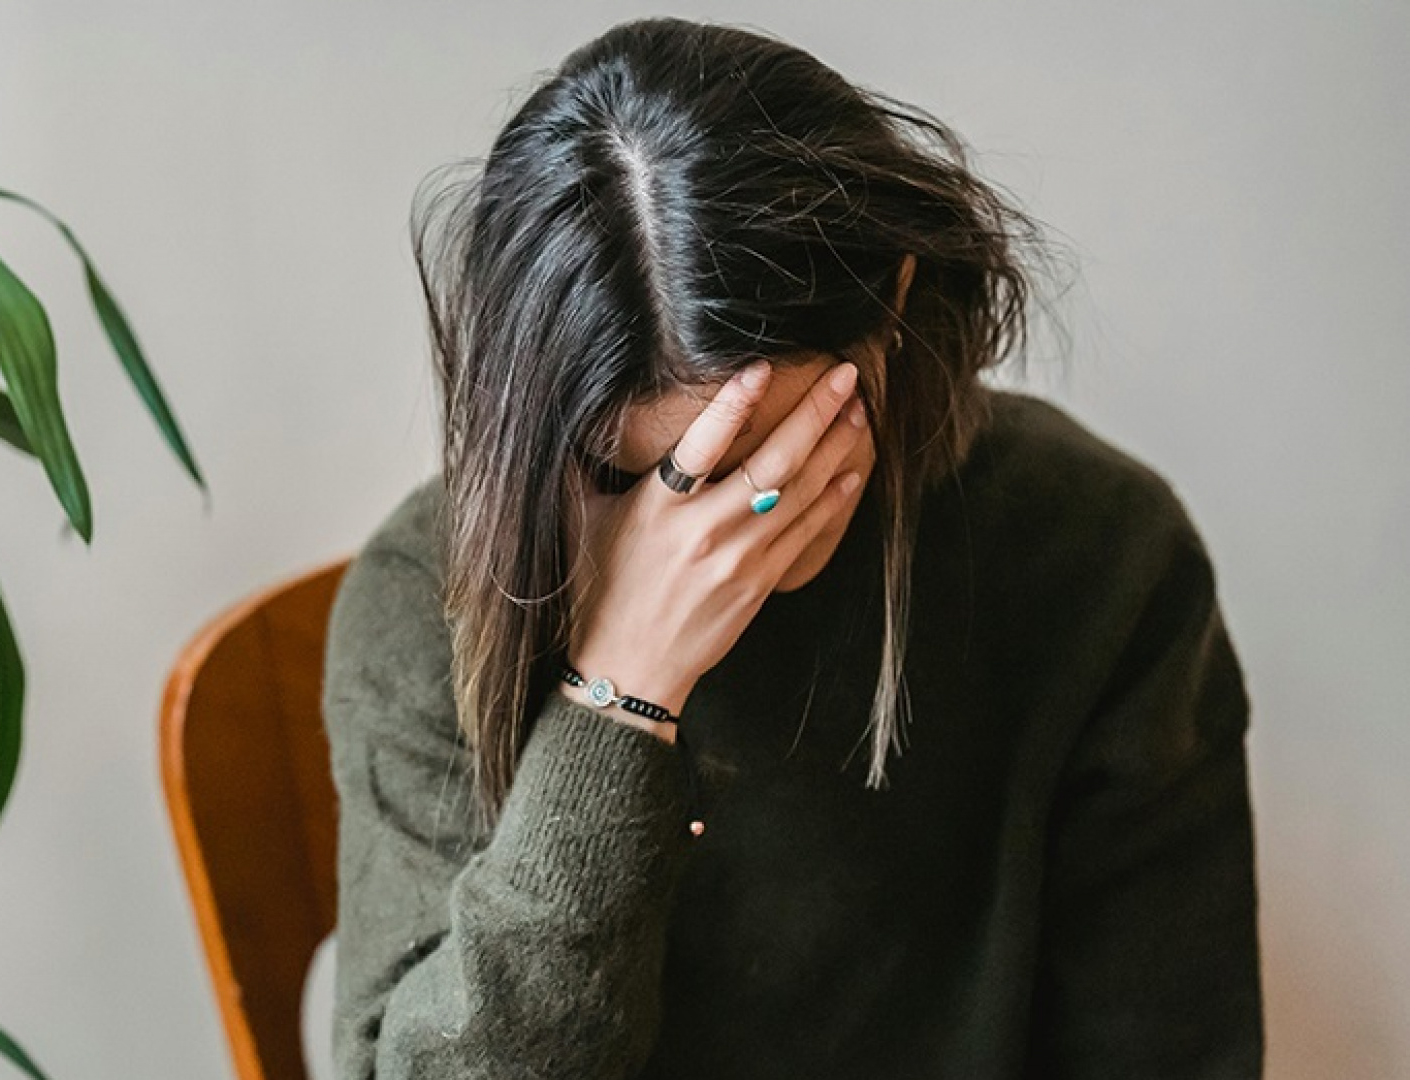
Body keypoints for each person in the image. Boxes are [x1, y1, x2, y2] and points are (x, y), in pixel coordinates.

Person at [322, 16, 1262, 1079]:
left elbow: (1167, 1047)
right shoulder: (424, 602)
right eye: (633, 477)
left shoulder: (1099, 555)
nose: (713, 531)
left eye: (765, 451)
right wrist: (619, 703)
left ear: (894, 302)